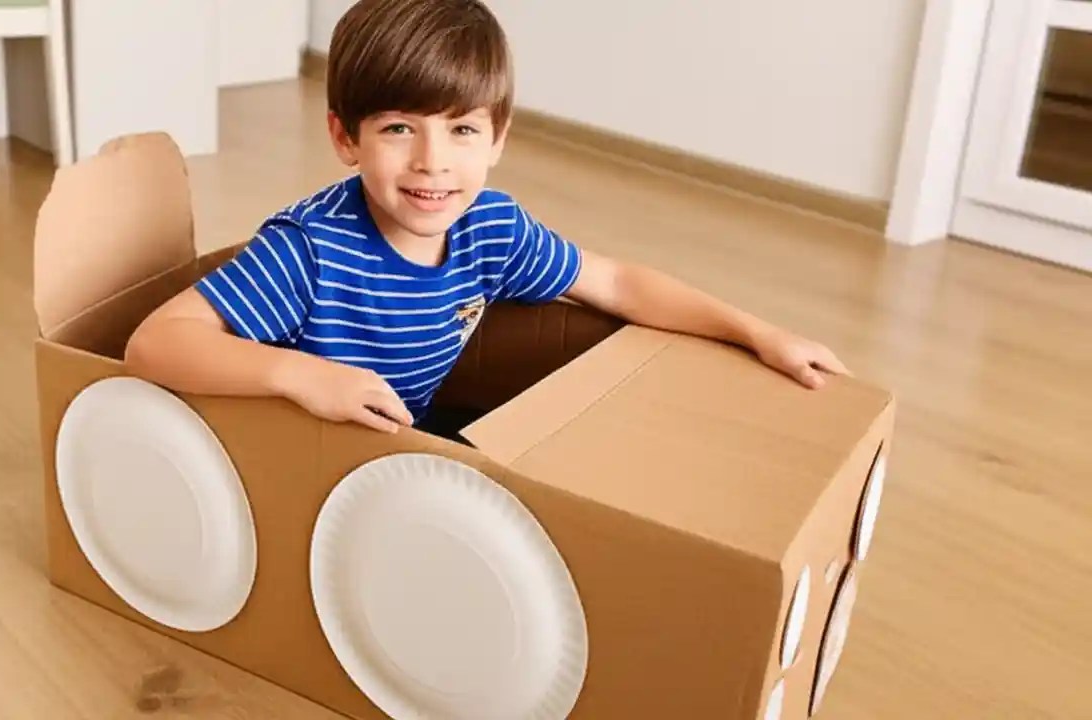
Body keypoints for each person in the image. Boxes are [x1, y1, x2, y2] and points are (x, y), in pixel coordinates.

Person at [123, 0, 849, 436]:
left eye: (463, 131)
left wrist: (758, 332)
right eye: (400, 129)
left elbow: (620, 284)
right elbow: (155, 343)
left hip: (399, 439)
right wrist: (300, 376)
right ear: (345, 138)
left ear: (498, 139)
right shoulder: (312, 250)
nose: (433, 162)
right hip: (299, 451)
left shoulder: (490, 231)